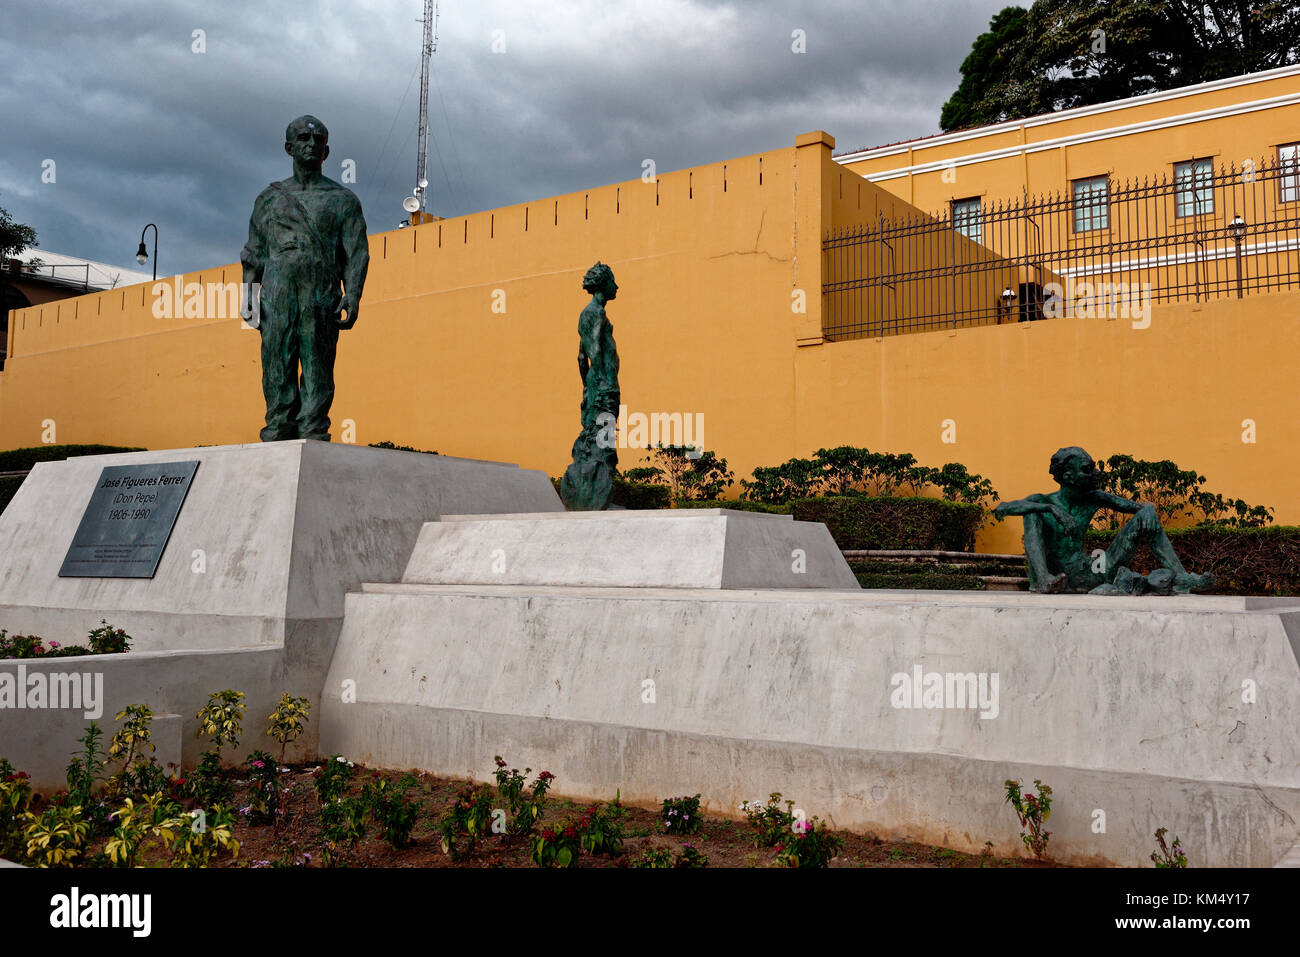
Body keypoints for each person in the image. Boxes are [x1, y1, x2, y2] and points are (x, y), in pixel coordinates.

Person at [241, 115, 369, 441]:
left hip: (321, 294)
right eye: (303, 139)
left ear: (327, 152)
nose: (311, 145)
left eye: (319, 141)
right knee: (276, 365)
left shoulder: (343, 201)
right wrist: (248, 299)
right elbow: (254, 253)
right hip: (277, 294)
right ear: (289, 147)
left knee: (317, 368)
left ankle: (312, 430)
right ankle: (279, 428)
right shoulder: (268, 199)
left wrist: (352, 294)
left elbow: (356, 254)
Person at [993, 446, 1214, 595]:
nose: (1096, 473)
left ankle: (1184, 578)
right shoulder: (1042, 502)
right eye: (1088, 469)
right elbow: (1002, 509)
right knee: (1032, 512)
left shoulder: (1093, 498)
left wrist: (1148, 508)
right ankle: (1043, 580)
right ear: (1068, 476)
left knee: (1146, 515)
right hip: (1058, 579)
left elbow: (1141, 508)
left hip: (1088, 575)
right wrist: (1051, 509)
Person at [560, 262, 621, 509]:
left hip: (598, 386)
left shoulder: (588, 313)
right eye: (613, 281)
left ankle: (596, 495)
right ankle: (594, 495)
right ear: (603, 284)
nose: (616, 286)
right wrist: (598, 388)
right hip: (604, 387)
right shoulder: (595, 313)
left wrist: (587, 386)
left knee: (600, 441)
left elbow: (579, 357)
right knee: (603, 443)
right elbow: (594, 353)